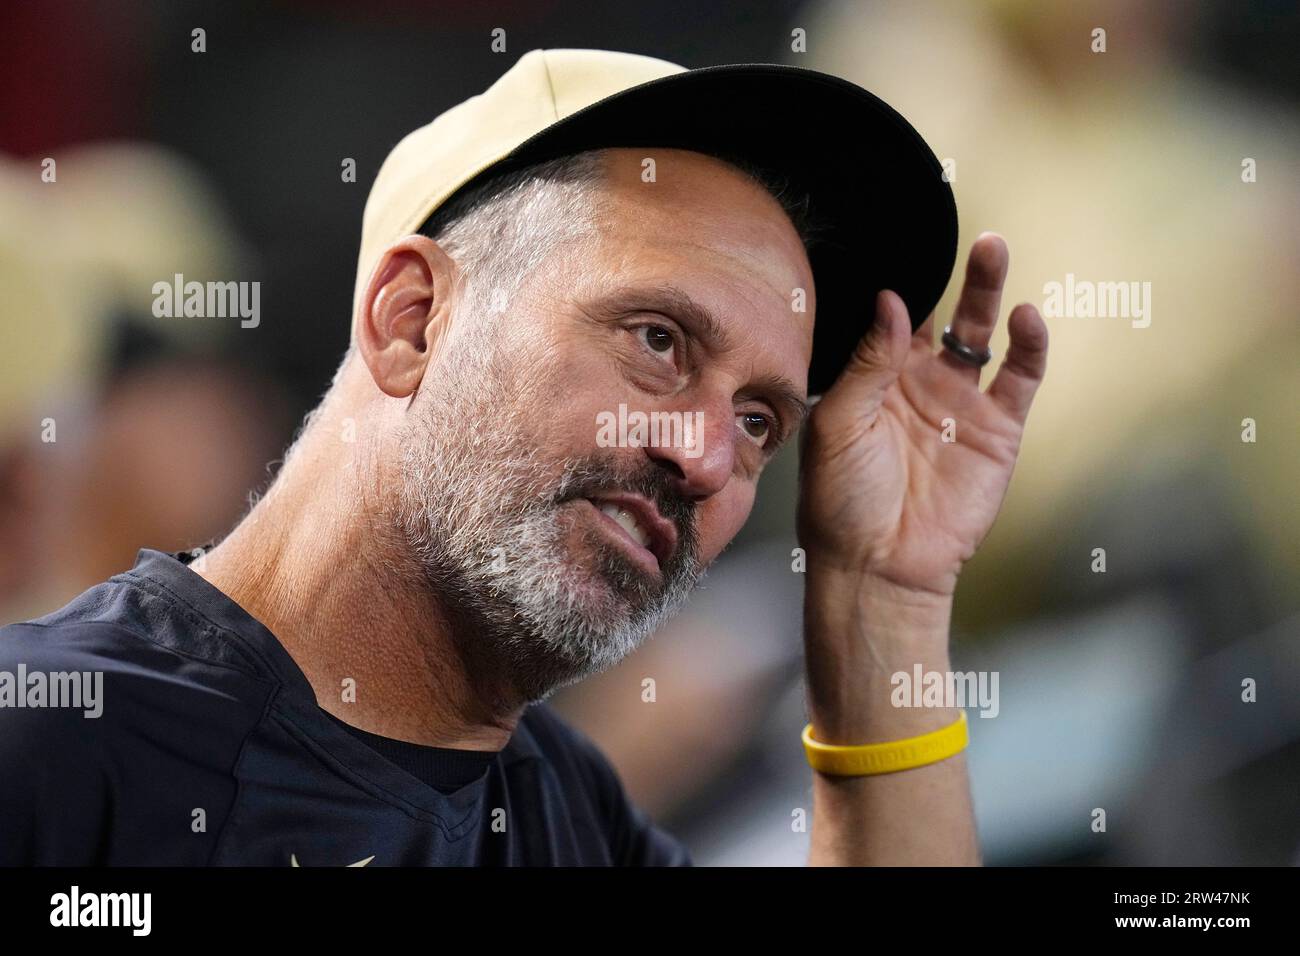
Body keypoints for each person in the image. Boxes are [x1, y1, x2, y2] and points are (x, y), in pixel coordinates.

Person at [0, 48, 1047, 865]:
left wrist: (885, 593)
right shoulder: (50, 744)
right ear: (412, 320)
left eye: (763, 420)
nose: (708, 459)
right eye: (657, 341)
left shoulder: (567, 807)